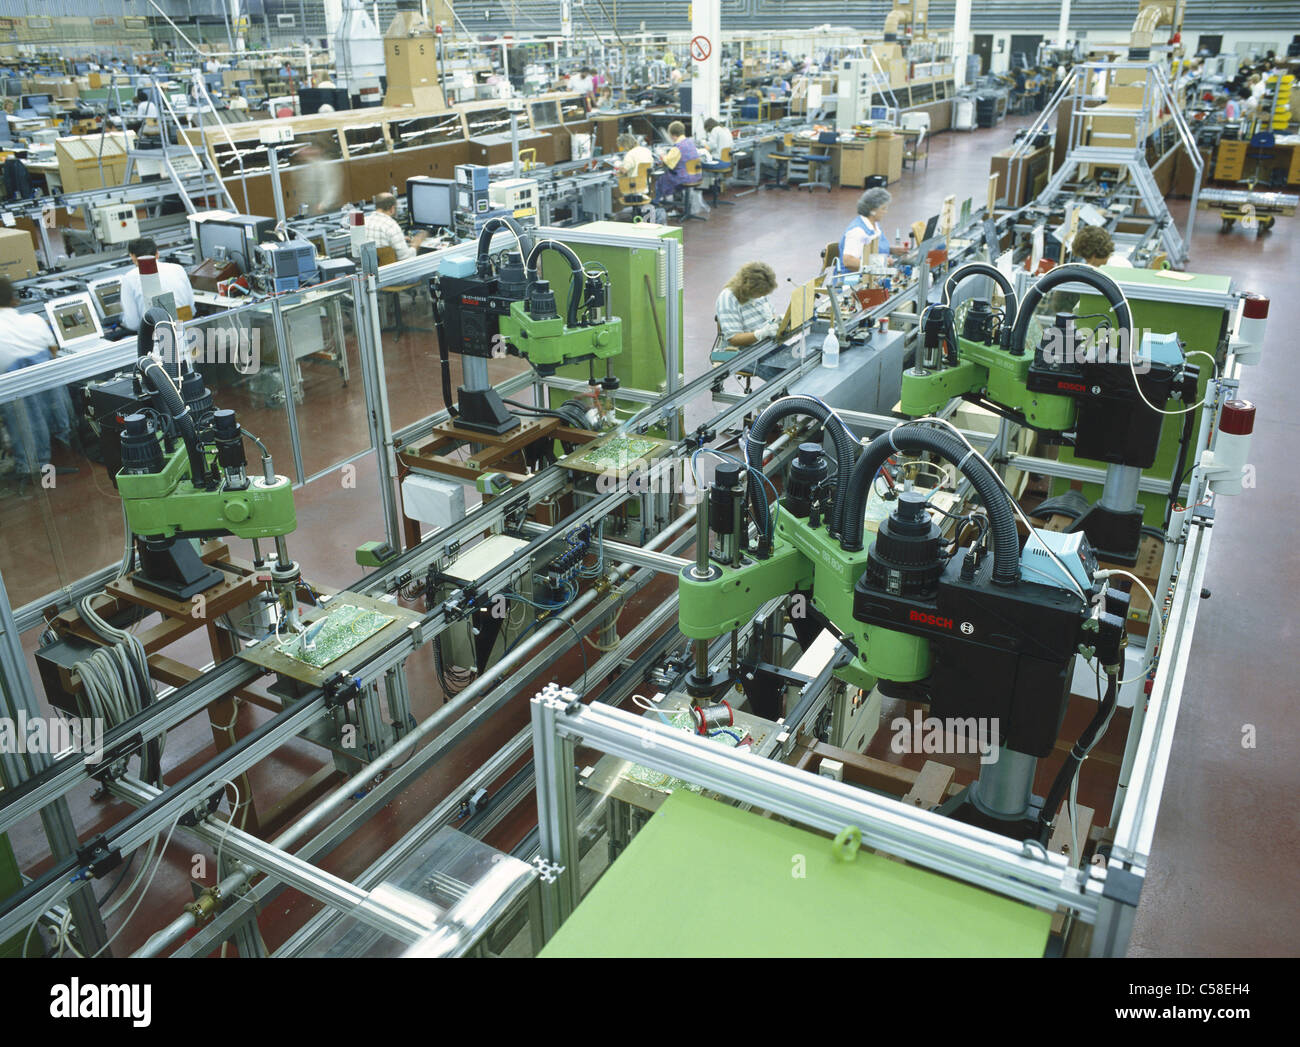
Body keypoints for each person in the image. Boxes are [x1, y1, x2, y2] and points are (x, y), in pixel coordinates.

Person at [0, 276, 77, 479]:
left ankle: (29, 465)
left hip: (22, 421)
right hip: (56, 416)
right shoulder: (35, 321)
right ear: (14, 300)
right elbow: (53, 352)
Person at [120, 237, 196, 333]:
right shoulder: (178, 269)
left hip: (155, 337)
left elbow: (133, 324)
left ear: (133, 257)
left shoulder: (129, 278)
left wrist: (121, 322)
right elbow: (192, 309)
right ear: (157, 253)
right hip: (186, 331)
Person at [715, 262, 779, 348]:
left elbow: (772, 315)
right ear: (748, 288)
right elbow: (734, 338)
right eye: (760, 294)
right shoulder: (728, 298)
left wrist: (778, 322)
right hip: (745, 353)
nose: (762, 296)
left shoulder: (761, 289)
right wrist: (762, 333)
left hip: (766, 344)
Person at [839, 187, 893, 272]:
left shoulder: (874, 224)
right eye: (883, 208)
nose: (885, 212)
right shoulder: (858, 231)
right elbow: (848, 261)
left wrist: (893, 250)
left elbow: (874, 248)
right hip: (854, 280)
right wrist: (881, 263)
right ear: (872, 210)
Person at [364, 192, 427, 261]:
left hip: (371, 270)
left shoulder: (365, 221)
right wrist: (416, 245)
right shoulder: (391, 225)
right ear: (392, 208)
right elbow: (406, 258)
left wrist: (400, 238)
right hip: (392, 269)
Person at [653, 121, 702, 203]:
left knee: (660, 179)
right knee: (674, 173)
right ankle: (677, 201)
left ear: (673, 135)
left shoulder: (678, 147)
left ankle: (655, 204)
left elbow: (668, 163)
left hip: (685, 178)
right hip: (696, 175)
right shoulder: (690, 142)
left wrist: (662, 155)